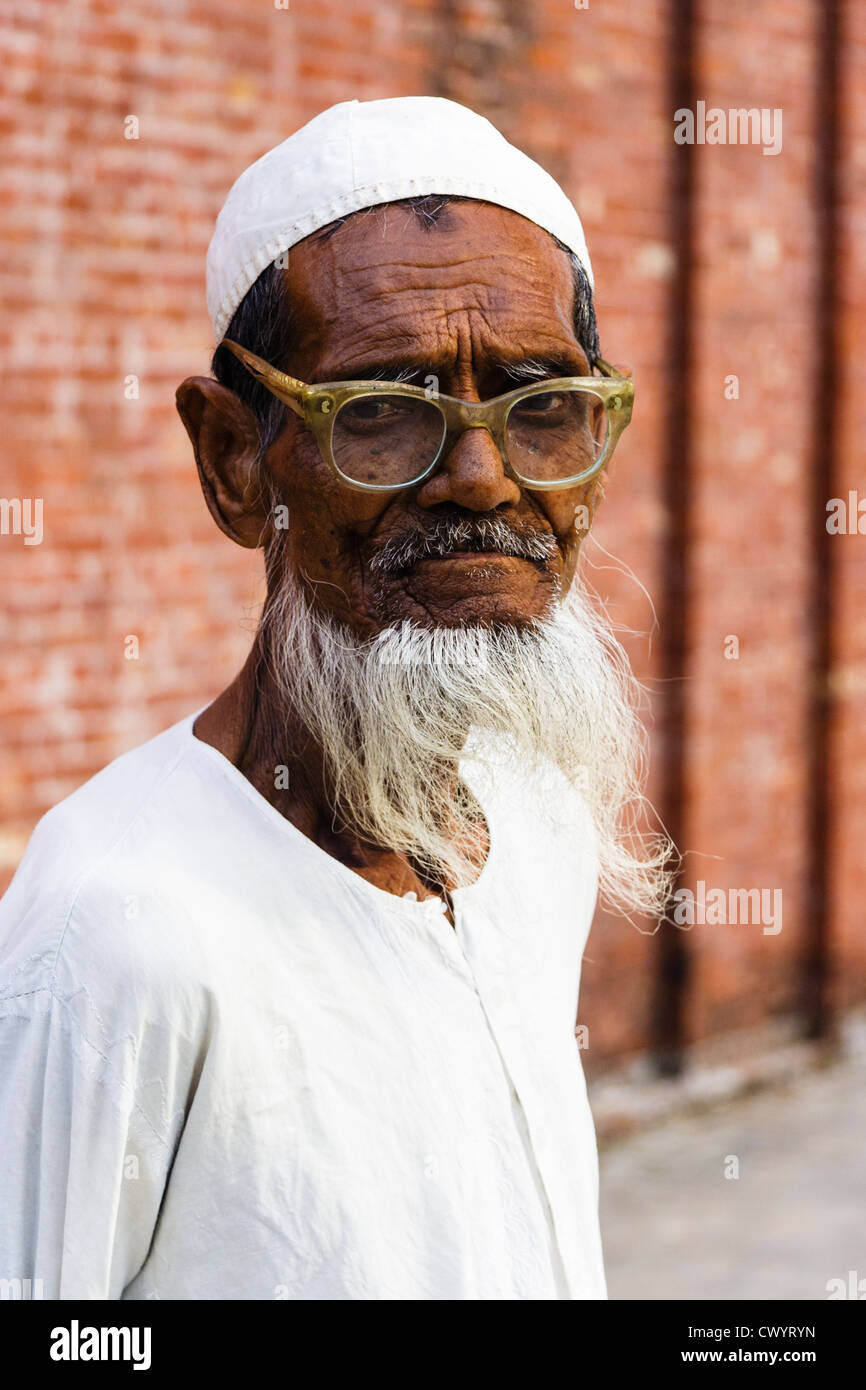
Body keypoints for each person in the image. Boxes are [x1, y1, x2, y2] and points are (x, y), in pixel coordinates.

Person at [0, 97, 669, 1300]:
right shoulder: (118, 925)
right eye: (381, 415)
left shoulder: (534, 822)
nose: (481, 477)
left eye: (542, 408)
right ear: (230, 460)